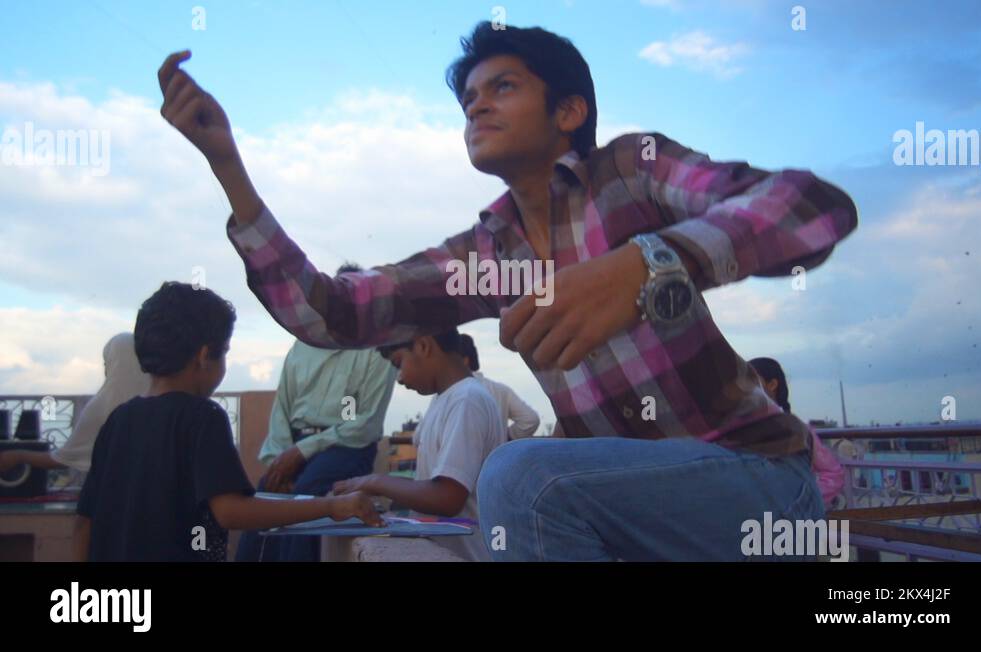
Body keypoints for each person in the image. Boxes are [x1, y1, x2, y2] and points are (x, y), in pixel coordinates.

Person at [157, 20, 858, 561]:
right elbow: (333, 312)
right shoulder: (489, 254)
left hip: (760, 483)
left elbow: (810, 207)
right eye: (468, 99)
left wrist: (649, 264)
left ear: (569, 111)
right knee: (523, 493)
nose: (477, 107)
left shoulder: (630, 170)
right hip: (636, 506)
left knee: (522, 478)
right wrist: (228, 166)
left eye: (503, 88)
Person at [74, 282, 381, 562]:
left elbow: (84, 520)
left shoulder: (118, 420)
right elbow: (231, 510)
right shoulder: (203, 418)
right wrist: (329, 507)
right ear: (205, 356)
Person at [235, 263, 398, 562]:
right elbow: (282, 411)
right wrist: (278, 461)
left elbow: (365, 424)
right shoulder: (303, 344)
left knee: (310, 491)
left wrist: (300, 453)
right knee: (263, 496)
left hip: (345, 446)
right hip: (293, 447)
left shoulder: (376, 350)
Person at [332, 328, 505, 561]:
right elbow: (432, 483)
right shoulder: (445, 398)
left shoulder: (467, 400)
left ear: (423, 346)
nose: (400, 378)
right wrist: (378, 498)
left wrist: (374, 481)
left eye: (399, 363)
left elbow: (447, 497)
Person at [0, 333, 150, 478]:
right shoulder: (163, 404)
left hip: (111, 495)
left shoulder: (101, 407)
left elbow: (64, 459)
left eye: (106, 363)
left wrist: (19, 456)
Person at [748, 357, 846, 509]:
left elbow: (833, 473)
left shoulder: (798, 430)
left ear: (772, 384)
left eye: (752, 381)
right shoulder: (741, 429)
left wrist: (803, 502)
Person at [459, 333, 539, 440]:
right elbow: (531, 419)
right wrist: (504, 438)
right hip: (496, 455)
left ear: (464, 360)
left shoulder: (451, 392)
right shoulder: (500, 390)